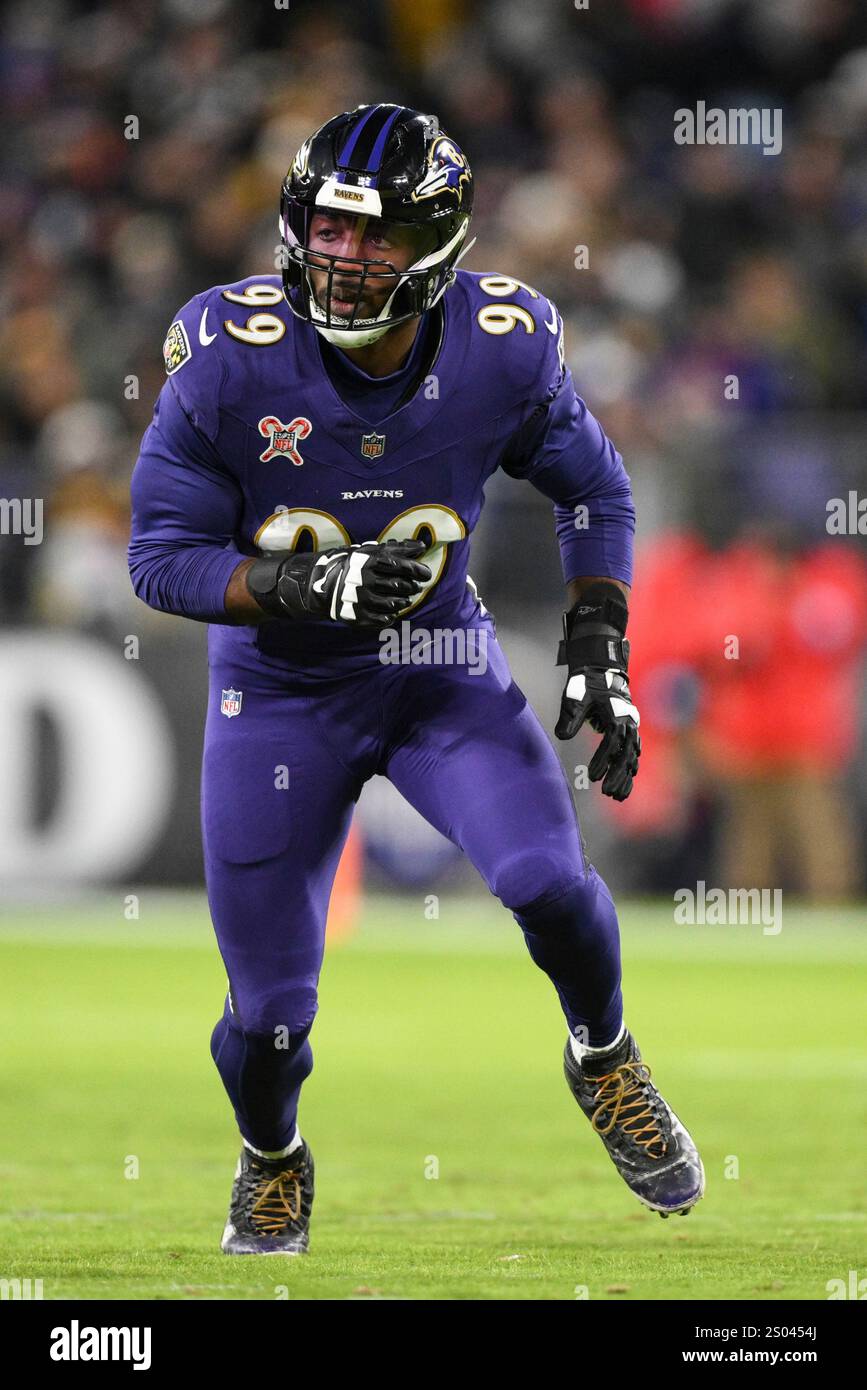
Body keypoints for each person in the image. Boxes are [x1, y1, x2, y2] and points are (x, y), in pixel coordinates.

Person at [128, 103, 703, 1255]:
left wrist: (599, 641)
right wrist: (302, 590)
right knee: (271, 1018)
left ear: (436, 242)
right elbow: (161, 557)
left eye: (375, 235)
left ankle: (604, 1055)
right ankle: (273, 1158)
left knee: (548, 879)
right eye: (327, 229)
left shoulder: (503, 342)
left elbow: (598, 491)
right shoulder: (231, 354)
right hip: (281, 693)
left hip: (439, 668)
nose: (342, 258)